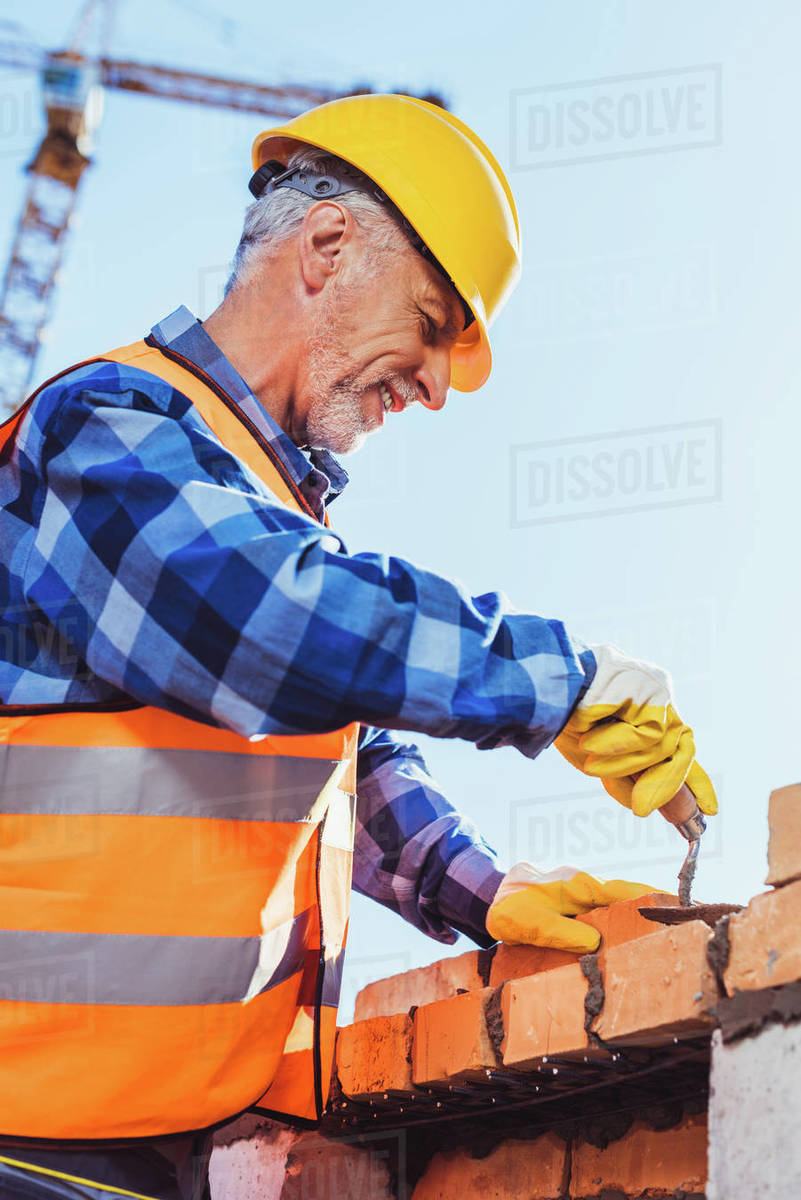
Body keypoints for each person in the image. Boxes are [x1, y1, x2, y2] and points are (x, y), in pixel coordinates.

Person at [0, 94, 716, 1199]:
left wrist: (484, 889)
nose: (432, 387)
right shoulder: (110, 425)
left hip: (146, 1153)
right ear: (327, 246)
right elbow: (257, 623)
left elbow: (350, 754)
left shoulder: (260, 506)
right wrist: (558, 681)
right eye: (430, 324)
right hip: (26, 1131)